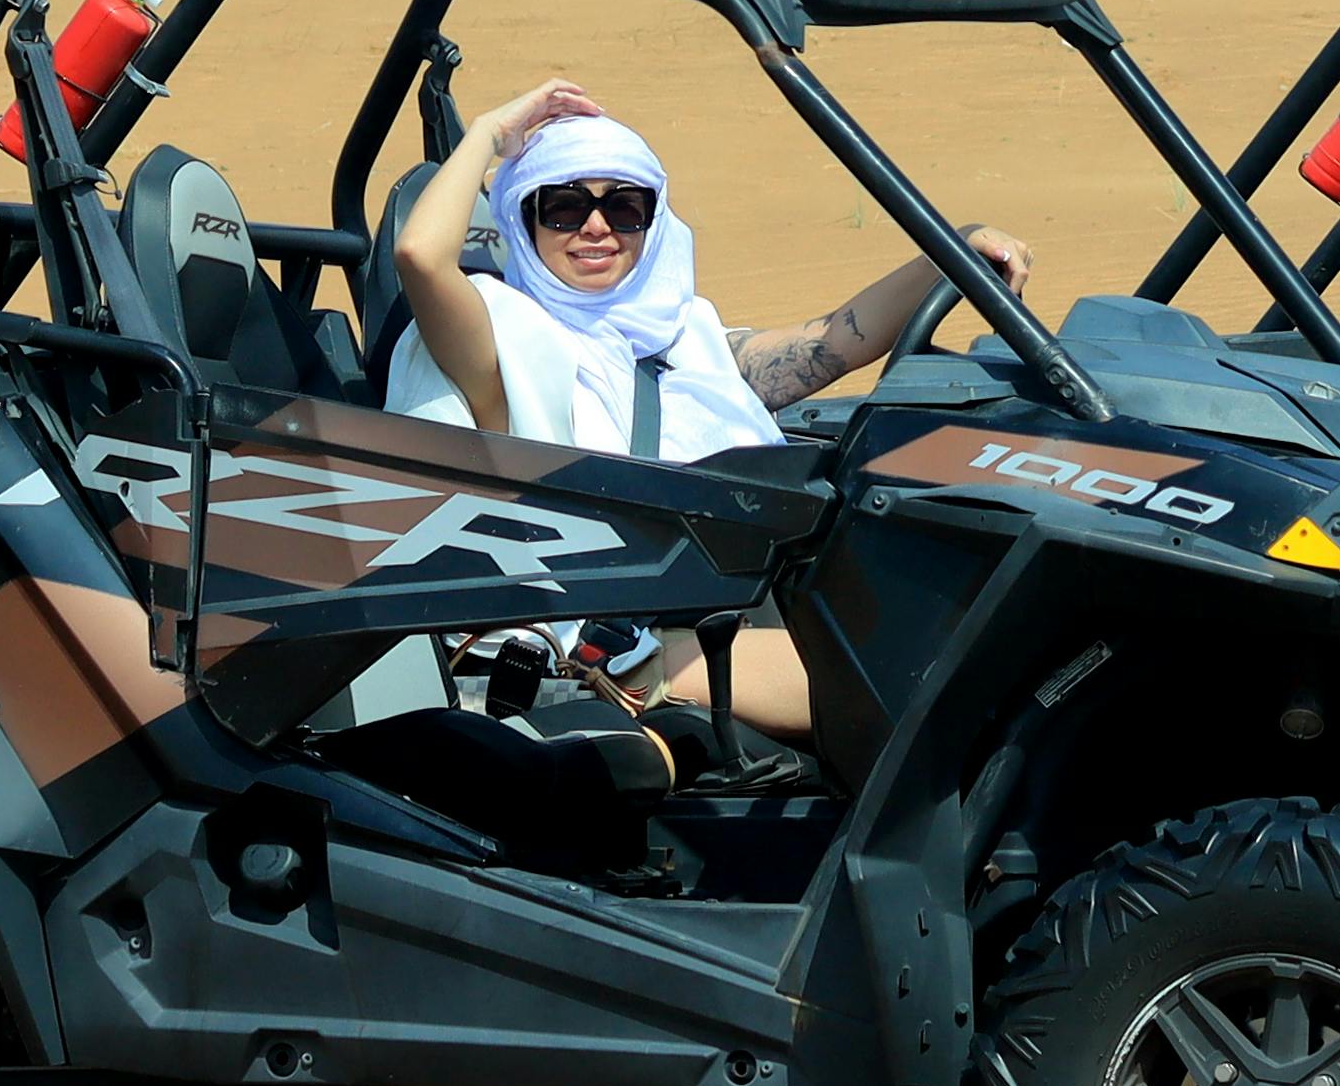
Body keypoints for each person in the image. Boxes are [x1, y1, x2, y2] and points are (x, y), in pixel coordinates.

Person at [384, 77, 1033, 751]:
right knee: (925, 689)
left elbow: (835, 341)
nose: (596, 227)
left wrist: (953, 252)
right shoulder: (503, 344)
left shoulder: (687, 340)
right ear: (522, 216)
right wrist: (490, 133)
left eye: (625, 206)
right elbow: (419, 258)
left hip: (746, 597)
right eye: (564, 206)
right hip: (625, 646)